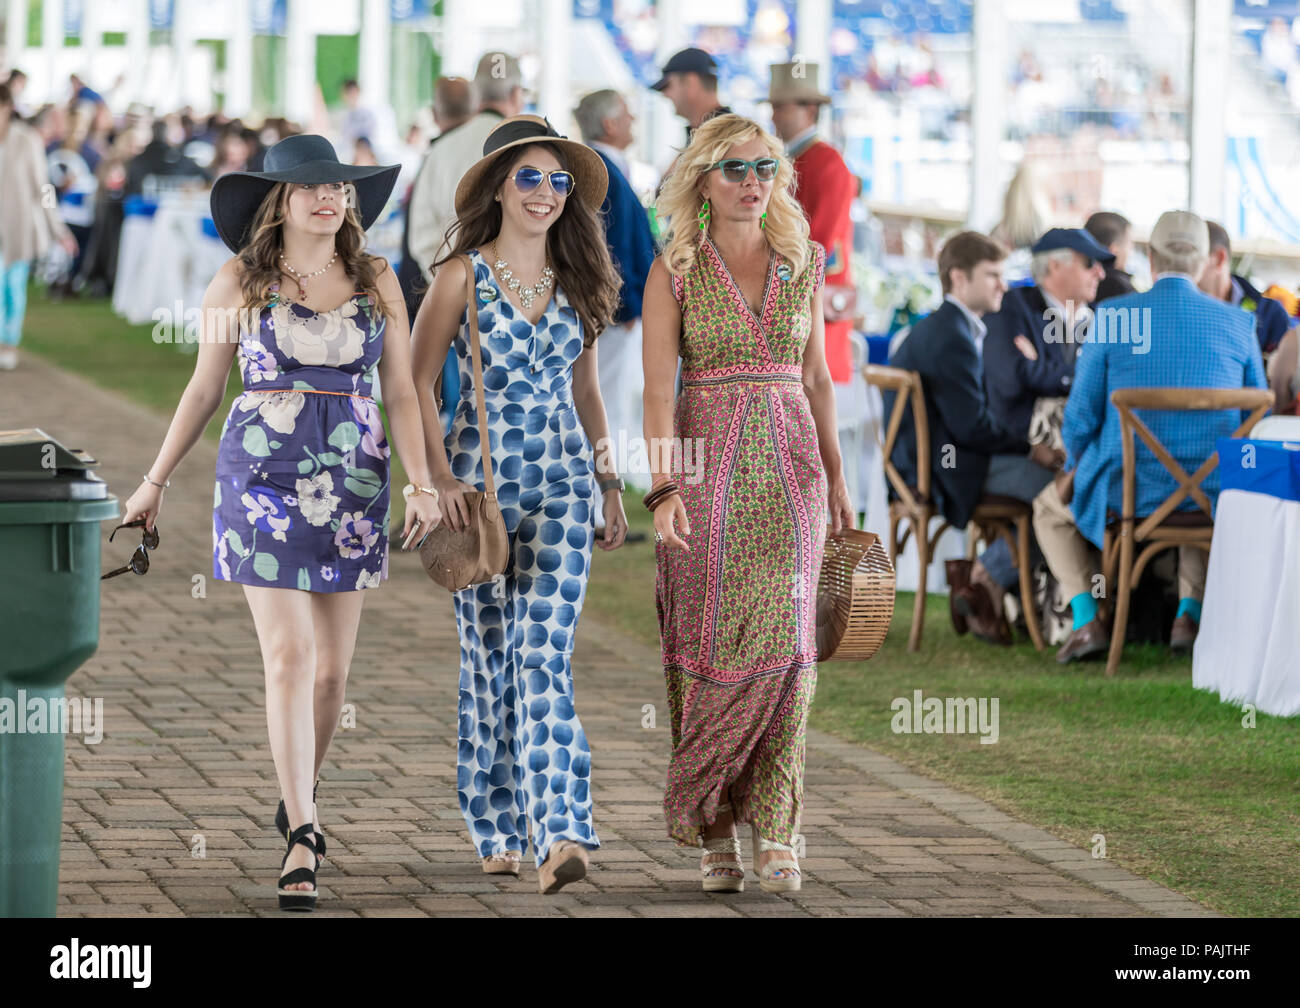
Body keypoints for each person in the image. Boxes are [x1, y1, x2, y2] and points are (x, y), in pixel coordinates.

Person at [119, 134, 442, 911]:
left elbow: (401, 391)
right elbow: (203, 389)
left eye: (340, 189)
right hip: (260, 481)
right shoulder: (239, 279)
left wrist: (422, 482)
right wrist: (154, 481)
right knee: (290, 655)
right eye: (310, 189)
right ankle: (304, 832)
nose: (328, 199)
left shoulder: (378, 277)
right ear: (280, 200)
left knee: (332, 675)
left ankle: (300, 787)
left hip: (355, 482)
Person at [408, 114, 626, 894]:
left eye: (559, 180)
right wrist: (438, 479)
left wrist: (609, 481)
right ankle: (496, 821)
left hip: (565, 483)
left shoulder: (579, 278)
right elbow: (414, 385)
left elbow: (588, 391)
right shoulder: (459, 276)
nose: (545, 192)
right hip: (482, 493)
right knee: (491, 659)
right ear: (499, 184)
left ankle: (561, 829)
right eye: (530, 177)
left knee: (544, 653)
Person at [644, 112, 853, 894]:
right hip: (705, 472)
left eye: (764, 169)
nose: (751, 182)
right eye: (734, 168)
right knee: (708, 653)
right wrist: (662, 487)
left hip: (791, 470)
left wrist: (834, 477)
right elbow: (656, 393)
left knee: (790, 660)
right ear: (702, 177)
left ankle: (779, 828)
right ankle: (713, 831)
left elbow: (821, 381)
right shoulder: (677, 269)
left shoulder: (804, 261)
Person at [1033, 210, 1268, 663]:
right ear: (1203, 263)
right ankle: (1188, 612)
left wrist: (1074, 463)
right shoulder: (1238, 325)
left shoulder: (1114, 317)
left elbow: (1080, 418)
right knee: (1209, 474)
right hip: (1210, 493)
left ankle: (1086, 619)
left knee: (1048, 511)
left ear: (1149, 257)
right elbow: (1255, 420)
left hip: (1128, 488)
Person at [888, 232, 1059, 644]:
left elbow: (969, 421)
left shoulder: (941, 328)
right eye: (993, 275)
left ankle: (983, 582)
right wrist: (1029, 447)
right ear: (959, 278)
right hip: (948, 470)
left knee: (1058, 492)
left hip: (925, 464)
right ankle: (985, 577)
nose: (1004, 284)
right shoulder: (953, 337)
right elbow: (972, 429)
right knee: (1063, 496)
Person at [407, 53, 525, 428]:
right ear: (518, 94)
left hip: (457, 295)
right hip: (526, 298)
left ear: (477, 95)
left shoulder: (443, 149)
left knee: (461, 409)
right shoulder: (534, 146)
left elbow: (421, 236)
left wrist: (448, 285)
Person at [573, 89, 657, 493]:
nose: (633, 122)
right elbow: (610, 249)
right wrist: (627, 308)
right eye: (627, 115)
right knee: (598, 400)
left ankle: (608, 482)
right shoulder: (599, 170)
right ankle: (596, 488)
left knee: (609, 399)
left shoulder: (606, 167)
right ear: (609, 123)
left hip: (617, 310)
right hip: (613, 313)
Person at [767, 61, 858, 387]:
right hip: (792, 295)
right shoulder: (789, 159)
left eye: (780, 106)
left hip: (810, 299)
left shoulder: (828, 163)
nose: (774, 115)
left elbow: (818, 239)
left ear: (809, 109)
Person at [0, 82, 78, 370]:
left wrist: (58, 228)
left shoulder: (26, 139)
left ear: (8, 108)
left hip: (17, 226)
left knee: (12, 286)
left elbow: (43, 187)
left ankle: (9, 341)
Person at [397, 76, 474, 321]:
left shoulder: (436, 154)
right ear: (474, 109)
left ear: (434, 113)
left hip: (430, 289)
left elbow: (421, 239)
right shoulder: (486, 149)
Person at [1198, 221, 1291, 355]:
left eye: (1194, 257)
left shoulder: (1270, 314)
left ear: (1219, 258)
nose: (1183, 265)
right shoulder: (1181, 313)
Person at [652, 48, 732, 146]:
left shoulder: (729, 138)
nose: (665, 95)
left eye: (668, 86)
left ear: (691, 82)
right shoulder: (719, 132)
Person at [1084, 211, 1135, 303]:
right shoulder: (1122, 290)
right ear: (1114, 249)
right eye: (1129, 243)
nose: (1132, 249)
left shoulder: (1077, 284)